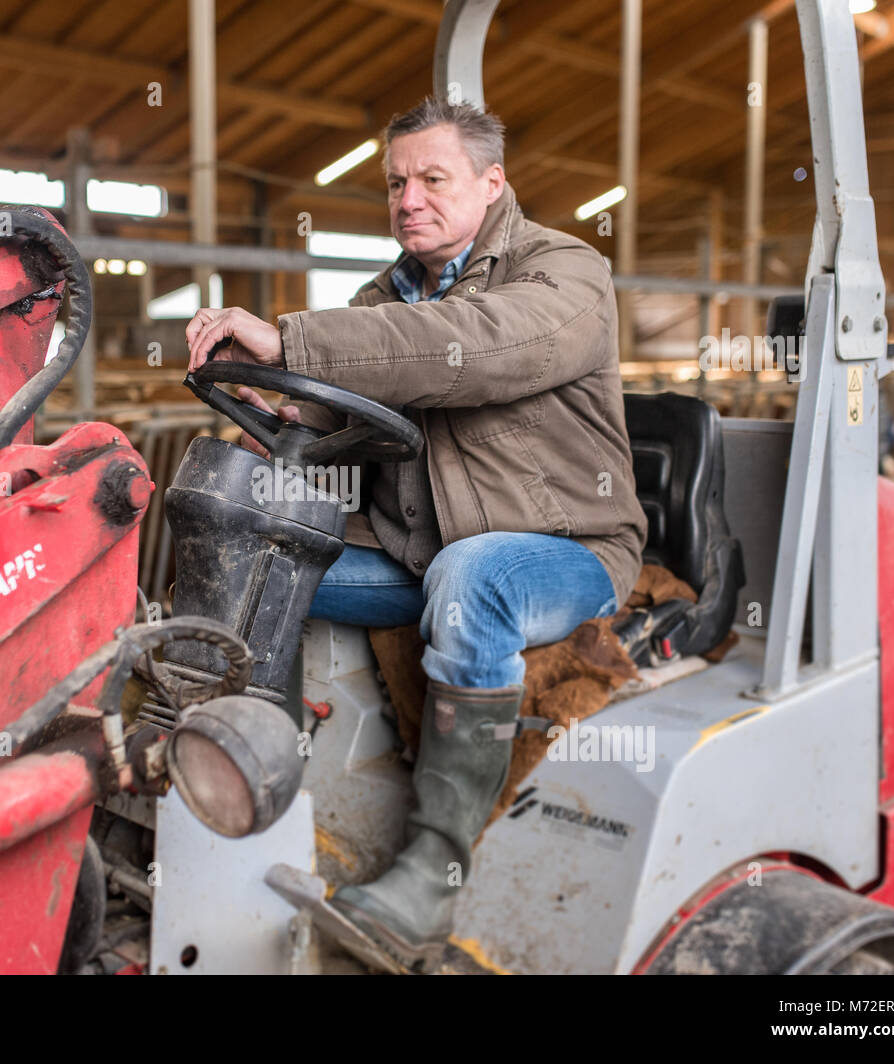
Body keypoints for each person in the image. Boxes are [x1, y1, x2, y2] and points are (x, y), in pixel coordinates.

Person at [185, 96, 647, 968]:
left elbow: (470, 346)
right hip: (419, 551)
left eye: (433, 178)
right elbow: (353, 411)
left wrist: (288, 338)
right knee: (257, 556)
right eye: (397, 182)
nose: (409, 198)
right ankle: (255, 784)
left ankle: (432, 870)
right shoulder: (384, 293)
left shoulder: (563, 274)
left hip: (562, 548)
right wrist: (278, 403)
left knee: (477, 577)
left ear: (492, 181)